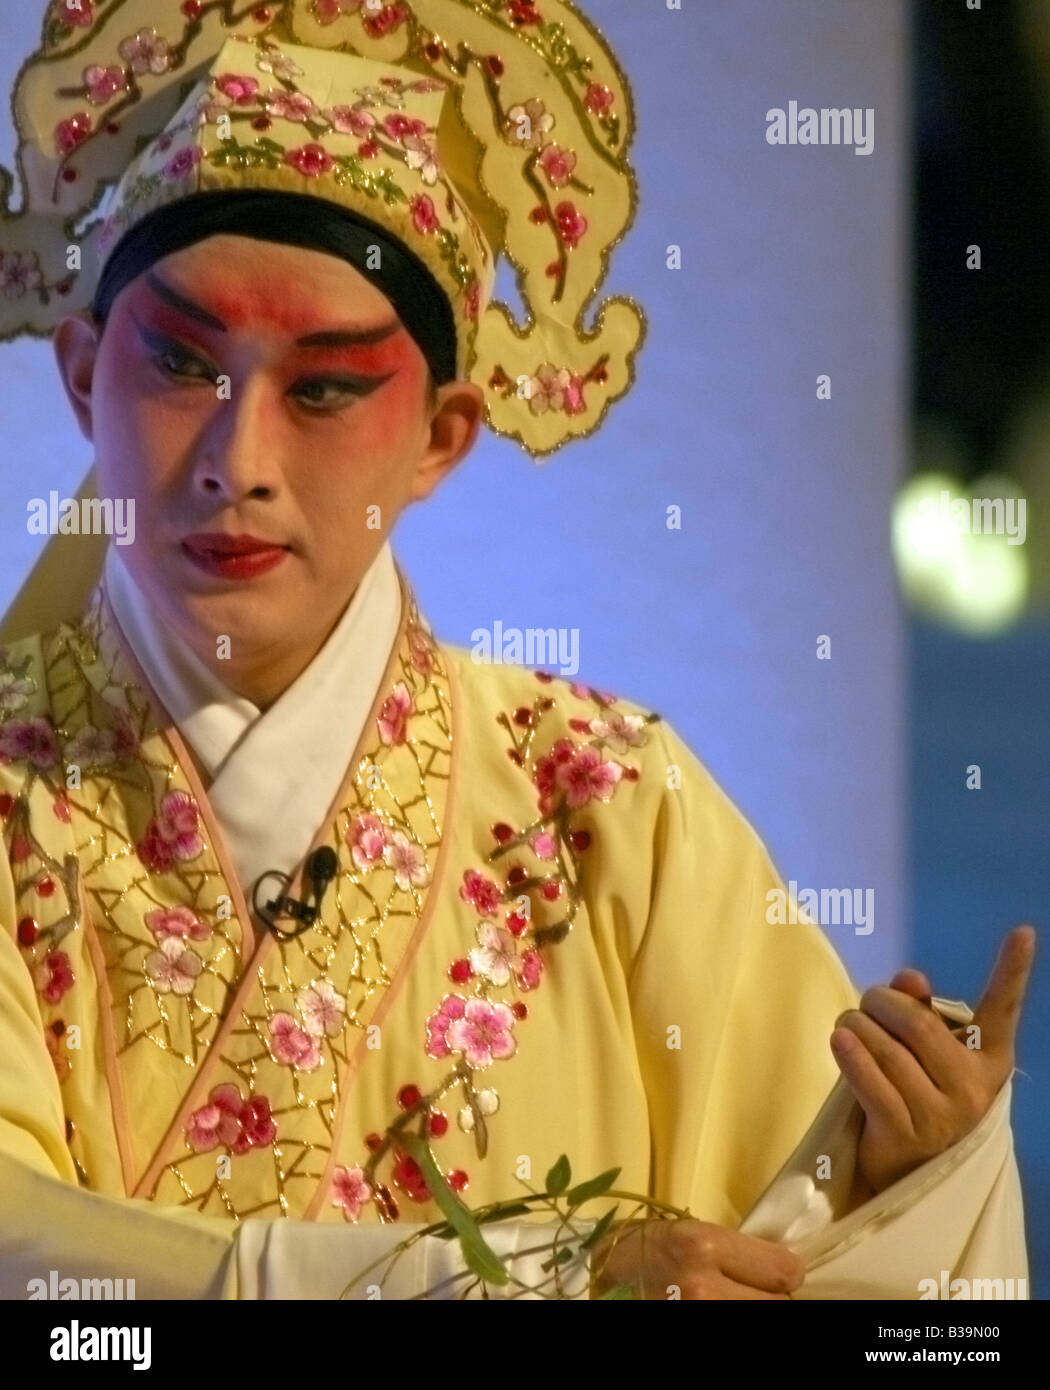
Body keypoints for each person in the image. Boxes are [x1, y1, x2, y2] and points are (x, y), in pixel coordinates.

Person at [0, 2, 1034, 1300]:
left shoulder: (618, 814)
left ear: (440, 437)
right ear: (85, 371)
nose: (238, 463)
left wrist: (909, 1180)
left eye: (323, 387)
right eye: (181, 362)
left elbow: (810, 1264)